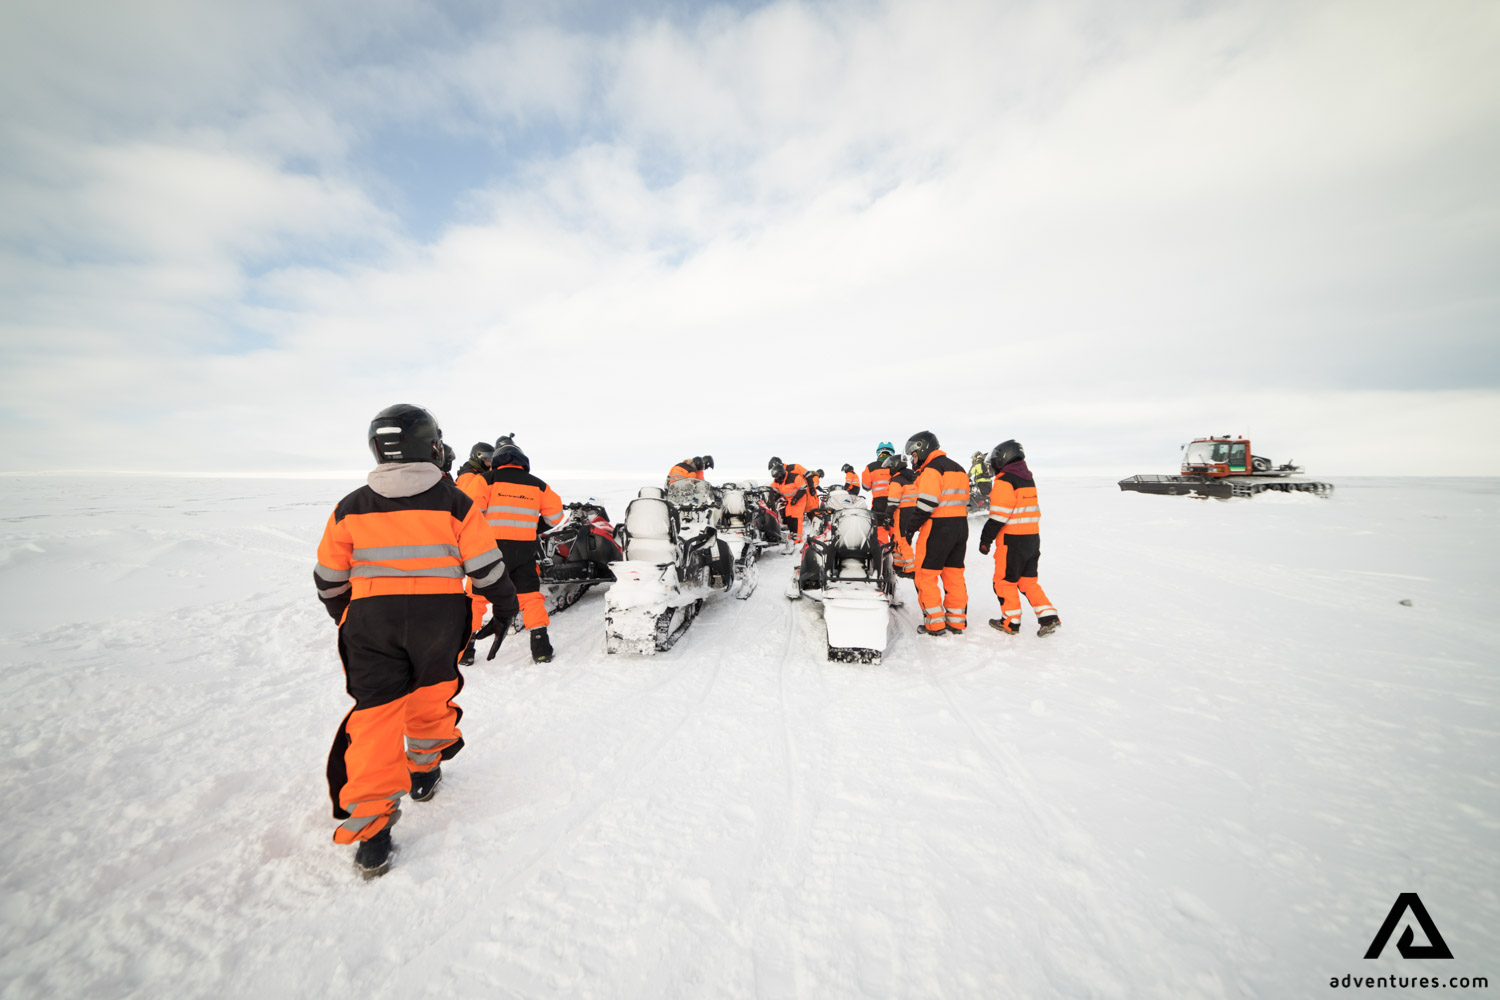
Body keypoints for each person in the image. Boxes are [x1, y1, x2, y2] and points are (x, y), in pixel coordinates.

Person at [314, 404, 519, 878]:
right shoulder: (455, 502)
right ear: (432, 447)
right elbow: (486, 567)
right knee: (431, 692)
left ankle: (371, 831)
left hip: (369, 620)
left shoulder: (350, 505)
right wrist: (507, 606)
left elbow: (328, 579)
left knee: (376, 714)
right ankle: (424, 771)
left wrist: (349, 615)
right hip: (438, 617)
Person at [479, 439, 564, 663]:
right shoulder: (538, 485)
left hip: (490, 551)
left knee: (476, 598)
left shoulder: (486, 480)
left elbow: (470, 511)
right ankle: (541, 647)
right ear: (523, 462)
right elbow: (556, 516)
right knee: (529, 597)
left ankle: (466, 651)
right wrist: (534, 527)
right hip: (524, 550)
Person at [978, 440, 1060, 637]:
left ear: (1003, 458)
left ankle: (1010, 622)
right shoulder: (1027, 479)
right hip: (1032, 539)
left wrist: (985, 540)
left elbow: (999, 516)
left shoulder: (1005, 480)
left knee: (1004, 581)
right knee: (1028, 581)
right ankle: (1048, 617)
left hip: (1012, 541)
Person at [902, 431, 969, 635]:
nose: (913, 460)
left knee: (925, 576)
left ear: (922, 449)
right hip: (960, 527)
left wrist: (910, 528)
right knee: (954, 575)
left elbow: (926, 504)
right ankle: (956, 622)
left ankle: (935, 624)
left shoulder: (932, 470)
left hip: (937, 529)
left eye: (913, 455)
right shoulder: (958, 468)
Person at [884, 453, 917, 577]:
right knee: (898, 540)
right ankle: (898, 566)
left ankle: (911, 570)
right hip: (914, 513)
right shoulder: (912, 478)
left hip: (902, 513)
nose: (888, 470)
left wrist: (887, 517)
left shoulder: (896, 481)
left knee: (902, 541)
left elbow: (893, 502)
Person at [768, 457, 812, 541]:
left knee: (796, 519)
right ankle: (792, 536)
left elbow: (803, 488)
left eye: (778, 477)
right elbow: (773, 490)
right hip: (789, 501)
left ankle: (798, 539)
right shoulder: (777, 480)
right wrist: (771, 500)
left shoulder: (794, 477)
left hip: (799, 499)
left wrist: (795, 499)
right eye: (776, 478)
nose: (777, 479)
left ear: (782, 474)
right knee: (789, 519)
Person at [861, 443, 895, 543]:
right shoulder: (896, 466)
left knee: (880, 531)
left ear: (878, 453)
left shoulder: (870, 467)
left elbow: (866, 486)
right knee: (895, 530)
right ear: (892, 453)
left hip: (879, 504)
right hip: (895, 503)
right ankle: (899, 556)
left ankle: (883, 556)